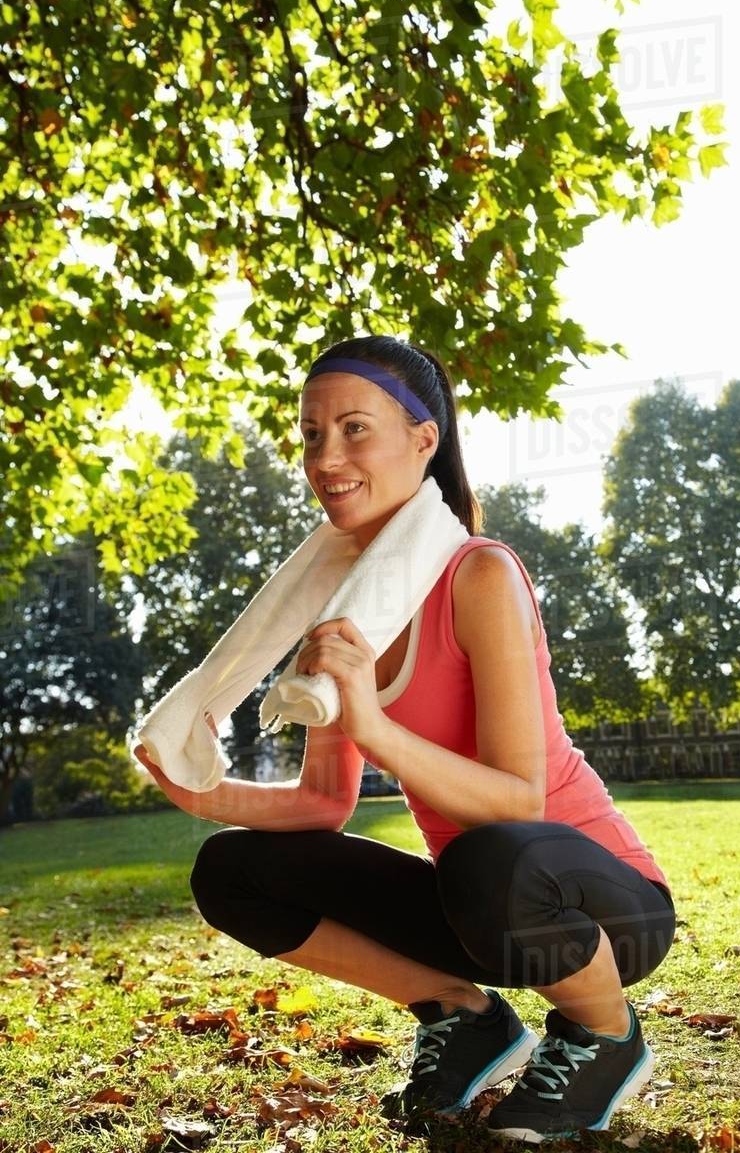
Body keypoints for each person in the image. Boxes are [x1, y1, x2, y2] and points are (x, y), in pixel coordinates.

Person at [135, 334, 676, 1143]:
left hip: (598, 908)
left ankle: (602, 1033)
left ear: (425, 440)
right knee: (233, 869)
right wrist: (198, 791)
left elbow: (518, 799)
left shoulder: (481, 574)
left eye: (355, 429)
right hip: (477, 907)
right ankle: (463, 1016)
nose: (327, 457)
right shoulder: (346, 606)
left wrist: (374, 724)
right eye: (313, 435)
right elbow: (326, 803)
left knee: (492, 855)